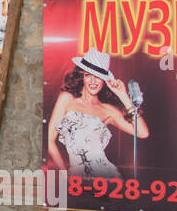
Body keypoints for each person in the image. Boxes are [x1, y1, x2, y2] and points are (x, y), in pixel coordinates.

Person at [45, 47, 149, 179]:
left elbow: (143, 133)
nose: (93, 81)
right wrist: (65, 175)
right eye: (88, 75)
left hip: (107, 178)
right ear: (82, 76)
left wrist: (123, 96)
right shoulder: (67, 98)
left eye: (98, 77)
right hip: (77, 179)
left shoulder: (107, 110)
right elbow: (49, 141)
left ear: (104, 80)